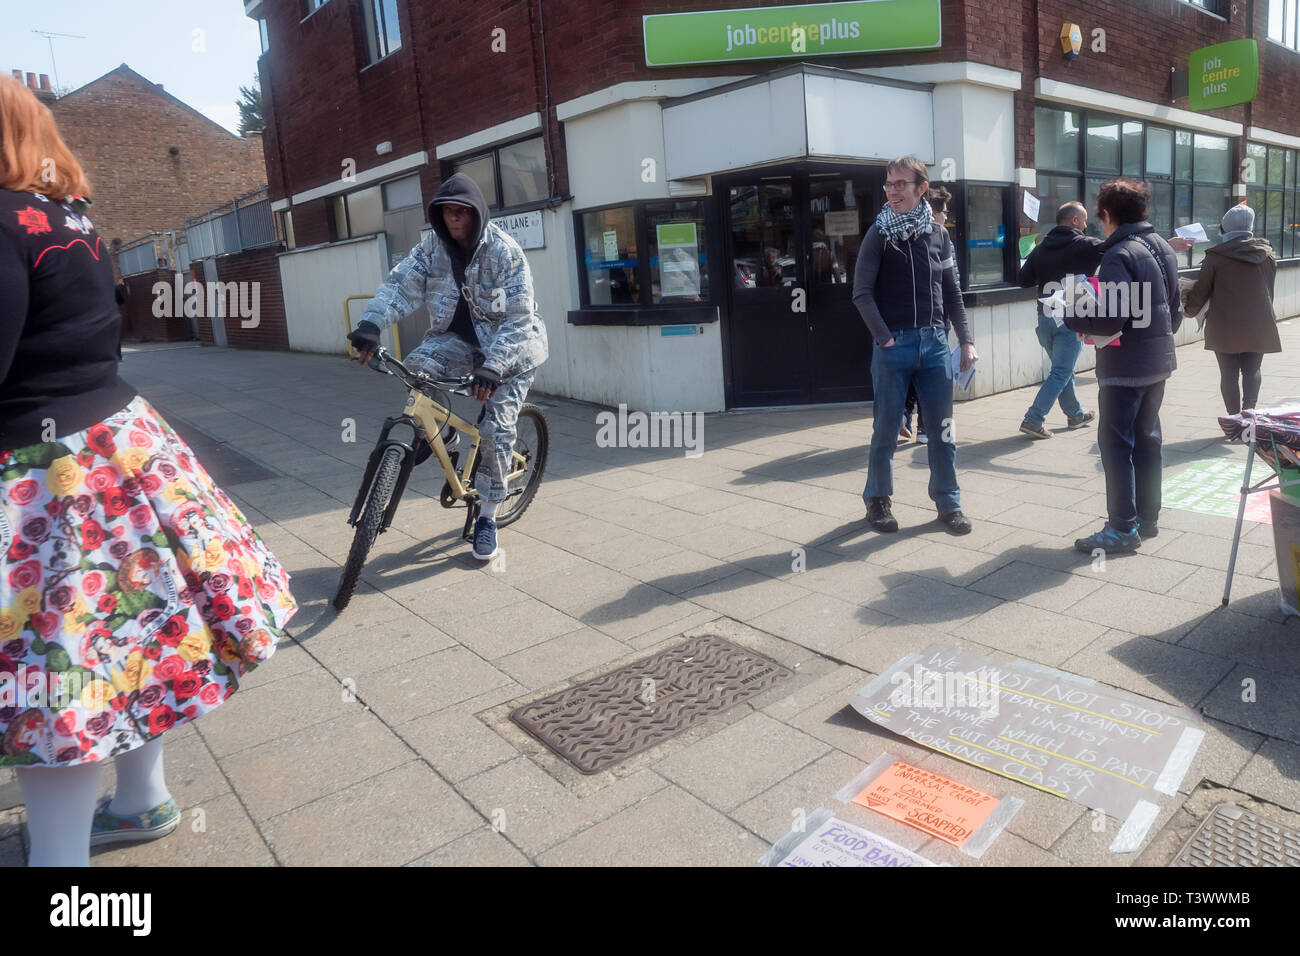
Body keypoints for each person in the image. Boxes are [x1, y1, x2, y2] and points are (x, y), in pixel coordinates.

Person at [0, 75, 297, 866]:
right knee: (128, 637)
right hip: (117, 444)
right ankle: (141, 801)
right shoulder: (73, 218)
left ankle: (58, 868)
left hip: (41, 471)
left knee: (59, 674)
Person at [347, 173, 548, 561]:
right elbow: (399, 285)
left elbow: (519, 318)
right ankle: (443, 436)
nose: (455, 220)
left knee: (495, 428)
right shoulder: (431, 249)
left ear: (476, 214)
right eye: (448, 213)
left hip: (511, 351)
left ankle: (488, 516)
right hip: (455, 341)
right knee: (418, 368)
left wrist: (495, 367)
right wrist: (372, 324)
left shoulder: (505, 252)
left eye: (462, 213)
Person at [853, 156, 978, 535]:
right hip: (895, 347)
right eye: (889, 185)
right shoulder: (879, 234)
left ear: (921, 188)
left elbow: (953, 292)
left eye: (900, 184)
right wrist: (885, 338)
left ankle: (949, 504)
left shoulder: (938, 236)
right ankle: (877, 502)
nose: (892, 191)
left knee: (942, 430)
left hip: (935, 344)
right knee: (886, 430)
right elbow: (861, 294)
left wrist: (966, 340)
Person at [1063, 178, 1182, 554]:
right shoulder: (1162, 246)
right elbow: (1174, 311)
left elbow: (1110, 319)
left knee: (1115, 446)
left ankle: (1122, 528)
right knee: (1148, 441)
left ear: (1108, 214)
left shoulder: (1119, 254)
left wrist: (1072, 315)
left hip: (1124, 367)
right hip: (1157, 362)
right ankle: (1148, 519)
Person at [1182, 204, 1280, 415]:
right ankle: (1249, 414)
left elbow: (1201, 291)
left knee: (1229, 374)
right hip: (1259, 322)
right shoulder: (1267, 255)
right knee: (1253, 370)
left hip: (1224, 325)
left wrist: (1188, 309)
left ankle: (1234, 420)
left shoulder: (1215, 257)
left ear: (1225, 230)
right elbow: (1269, 289)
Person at [1016, 201, 1102, 439]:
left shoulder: (1041, 247)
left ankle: (1075, 414)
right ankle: (1033, 419)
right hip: (1071, 318)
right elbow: (1119, 251)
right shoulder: (1086, 244)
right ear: (1074, 221)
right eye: (1083, 220)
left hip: (1044, 319)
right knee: (1061, 372)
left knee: (1062, 371)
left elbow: (1023, 280)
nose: (1085, 225)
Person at [901, 186, 956, 445]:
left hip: (915, 320)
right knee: (931, 377)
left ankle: (903, 414)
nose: (946, 216)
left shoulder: (908, 237)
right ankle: (924, 428)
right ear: (933, 213)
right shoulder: (941, 239)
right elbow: (951, 286)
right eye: (944, 211)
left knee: (914, 371)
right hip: (937, 320)